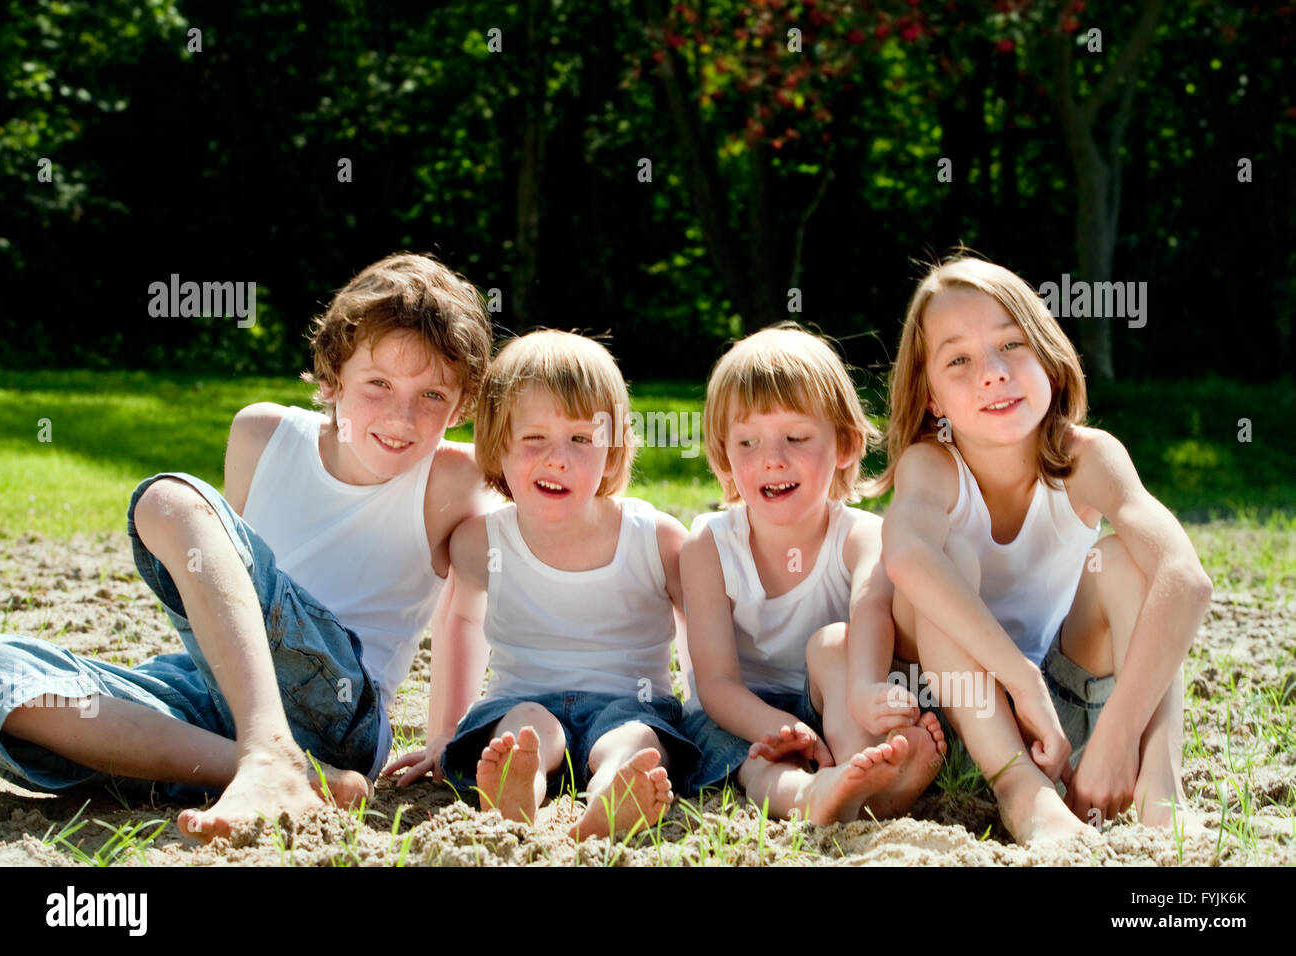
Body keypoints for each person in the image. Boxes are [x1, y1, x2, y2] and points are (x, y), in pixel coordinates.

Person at [0, 252, 494, 843]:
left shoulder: (455, 479)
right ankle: (270, 769)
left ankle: (267, 751)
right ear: (332, 377)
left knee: (169, 500)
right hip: (213, 694)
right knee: (4, 676)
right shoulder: (262, 434)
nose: (402, 415)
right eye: (378, 384)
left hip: (338, 702)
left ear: (462, 404)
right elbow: (227, 582)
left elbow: (470, 608)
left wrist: (448, 736)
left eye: (433, 395)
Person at [875, 255, 1212, 845]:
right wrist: (1018, 679)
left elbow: (1184, 578)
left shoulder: (1089, 458)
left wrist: (1117, 734)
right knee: (943, 561)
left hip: (1063, 719)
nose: (993, 373)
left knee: (1125, 562)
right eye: (959, 359)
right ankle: (1022, 796)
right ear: (931, 397)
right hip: (946, 720)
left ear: (1049, 358)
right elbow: (906, 558)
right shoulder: (930, 466)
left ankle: (1160, 789)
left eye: (1011, 344)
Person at [404, 330, 700, 841]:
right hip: (522, 699)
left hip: (631, 702)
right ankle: (522, 786)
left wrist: (702, 708)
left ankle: (613, 790)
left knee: (633, 740)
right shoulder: (481, 542)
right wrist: (444, 733)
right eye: (534, 438)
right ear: (498, 447)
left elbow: (700, 628)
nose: (557, 458)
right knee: (527, 729)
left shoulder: (654, 539)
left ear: (614, 449)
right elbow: (459, 623)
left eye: (581, 439)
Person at [681, 324, 945, 825]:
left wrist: (866, 692)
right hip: (740, 711)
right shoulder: (708, 545)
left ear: (844, 445)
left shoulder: (862, 535)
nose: (772, 460)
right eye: (748, 442)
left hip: (832, 703)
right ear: (723, 453)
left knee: (833, 642)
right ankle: (810, 796)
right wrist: (781, 729)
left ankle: (857, 769)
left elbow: (871, 608)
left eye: (796, 437)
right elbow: (714, 683)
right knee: (757, 765)